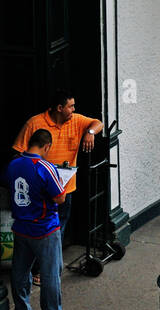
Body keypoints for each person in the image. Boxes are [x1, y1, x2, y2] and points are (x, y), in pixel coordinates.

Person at [13, 90, 103, 245]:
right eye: (71, 106)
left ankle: (54, 259)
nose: (74, 110)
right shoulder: (34, 123)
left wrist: (90, 132)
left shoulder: (76, 120)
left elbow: (98, 123)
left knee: (60, 222)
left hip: (64, 186)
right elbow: (18, 154)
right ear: (59, 108)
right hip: (39, 186)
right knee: (38, 224)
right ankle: (38, 262)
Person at [3, 128, 73, 310]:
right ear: (47, 146)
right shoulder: (45, 166)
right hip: (45, 228)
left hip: (21, 227)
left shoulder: (14, 164)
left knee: (20, 271)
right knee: (51, 272)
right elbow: (59, 198)